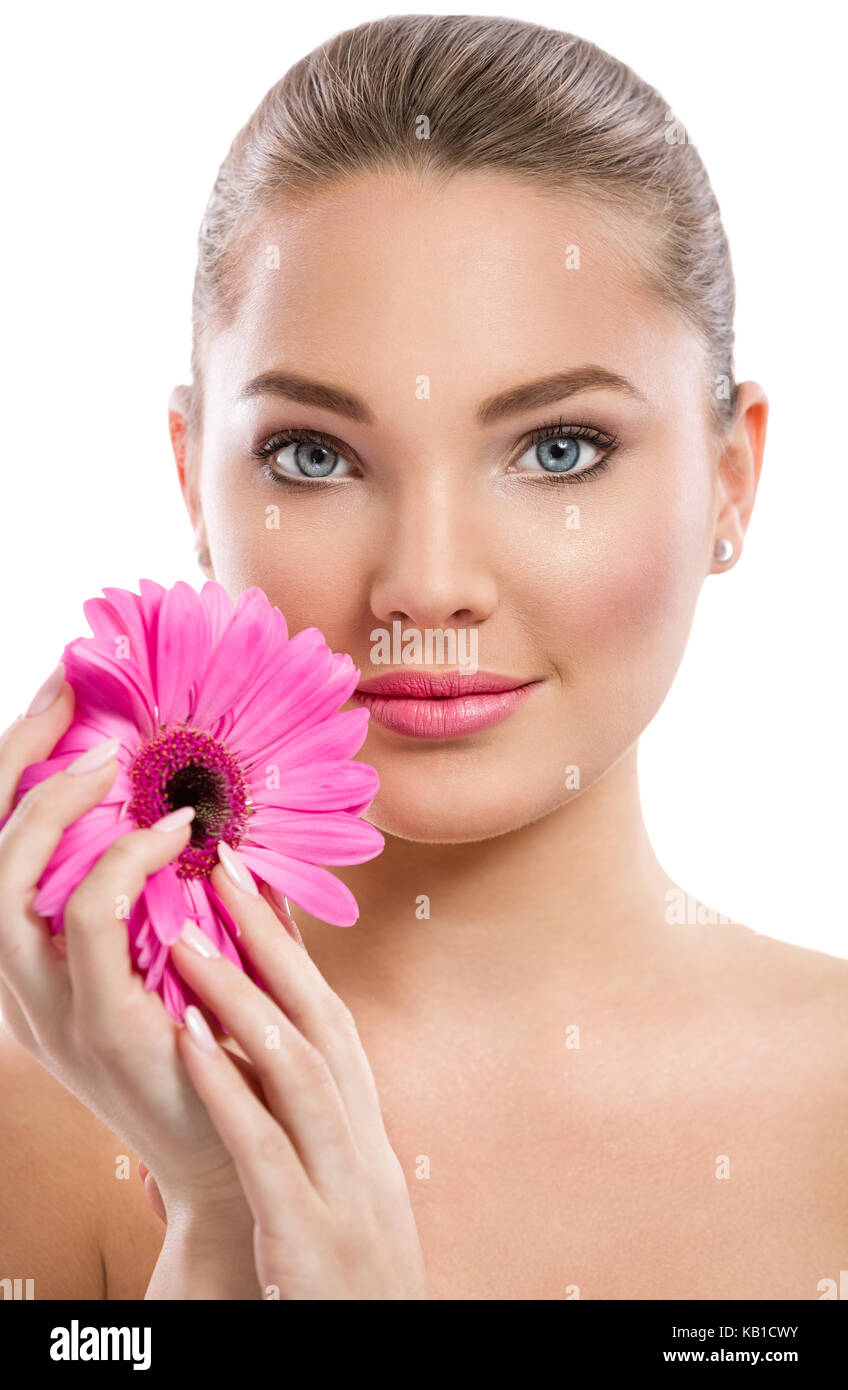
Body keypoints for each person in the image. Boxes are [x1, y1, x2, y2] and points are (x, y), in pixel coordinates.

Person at [1, 14, 846, 1301]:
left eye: (557, 449)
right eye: (314, 456)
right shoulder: (46, 1123)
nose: (425, 584)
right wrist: (219, 1230)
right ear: (190, 479)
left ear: (732, 477)